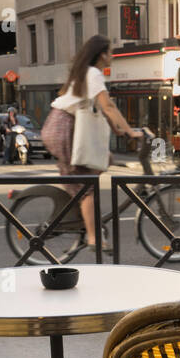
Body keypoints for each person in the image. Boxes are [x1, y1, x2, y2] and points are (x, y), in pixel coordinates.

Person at [42, 34, 145, 252]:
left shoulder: (85, 72)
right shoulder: (94, 73)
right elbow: (107, 106)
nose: (112, 57)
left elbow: (99, 107)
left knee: (104, 159)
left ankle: (82, 212)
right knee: (86, 187)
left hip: (62, 125)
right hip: (65, 128)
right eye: (110, 53)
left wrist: (118, 129)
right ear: (101, 55)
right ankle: (92, 238)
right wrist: (130, 132)